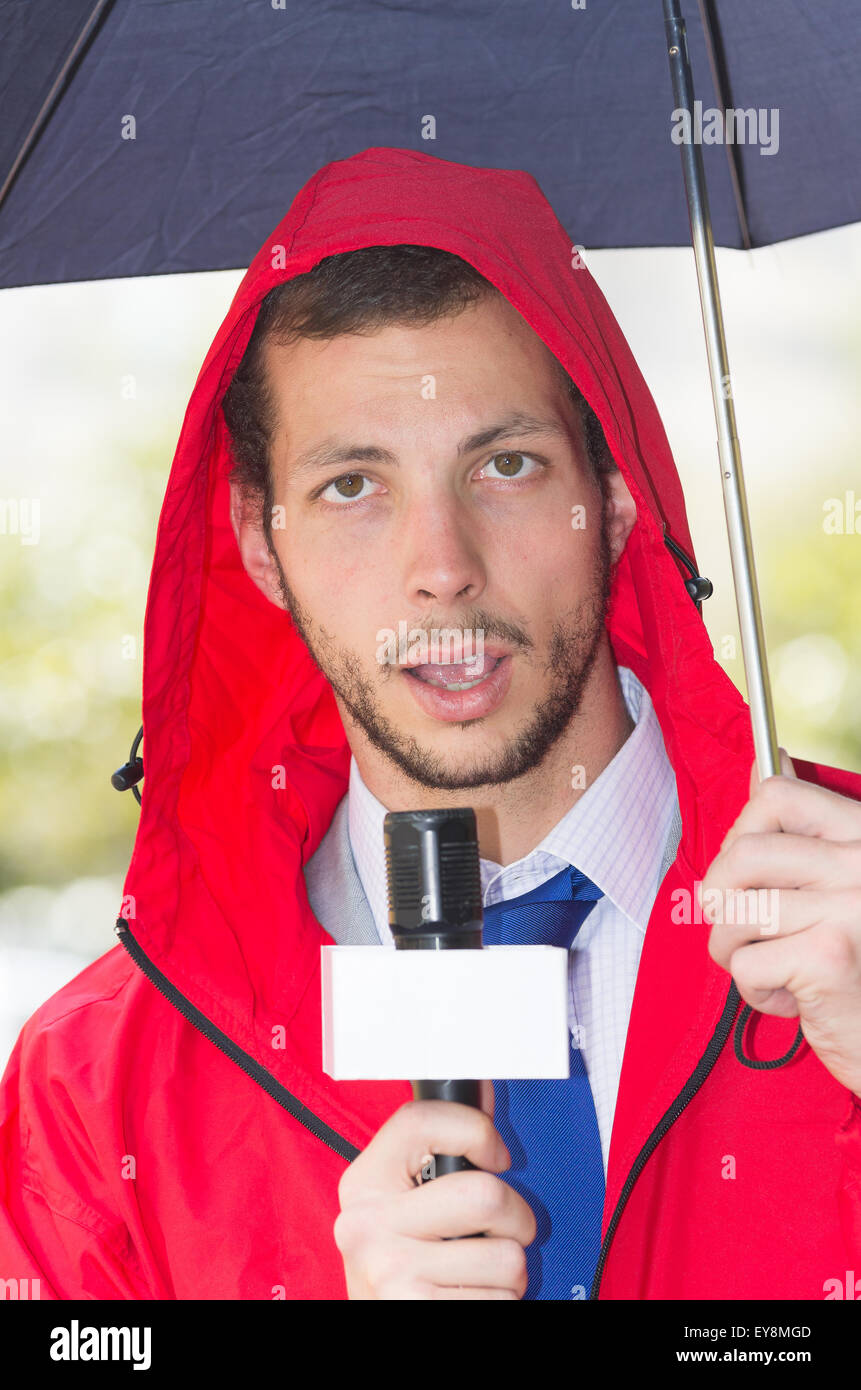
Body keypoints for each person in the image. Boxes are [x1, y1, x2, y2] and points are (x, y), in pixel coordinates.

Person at [1, 147, 860, 1301]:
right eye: (354, 486)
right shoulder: (94, 1086)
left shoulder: (846, 922)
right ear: (262, 542)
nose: (441, 571)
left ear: (614, 499)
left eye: (505, 465)